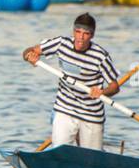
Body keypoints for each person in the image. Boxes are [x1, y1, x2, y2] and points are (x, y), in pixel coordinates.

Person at [21, 12, 120, 150]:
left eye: (86, 33)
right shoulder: (61, 43)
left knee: (91, 157)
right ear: (73, 31)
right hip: (65, 108)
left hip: (91, 113)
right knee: (59, 150)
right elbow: (29, 50)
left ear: (92, 35)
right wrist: (29, 56)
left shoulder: (100, 56)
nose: (80, 37)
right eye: (78, 32)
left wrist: (102, 92)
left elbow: (114, 87)